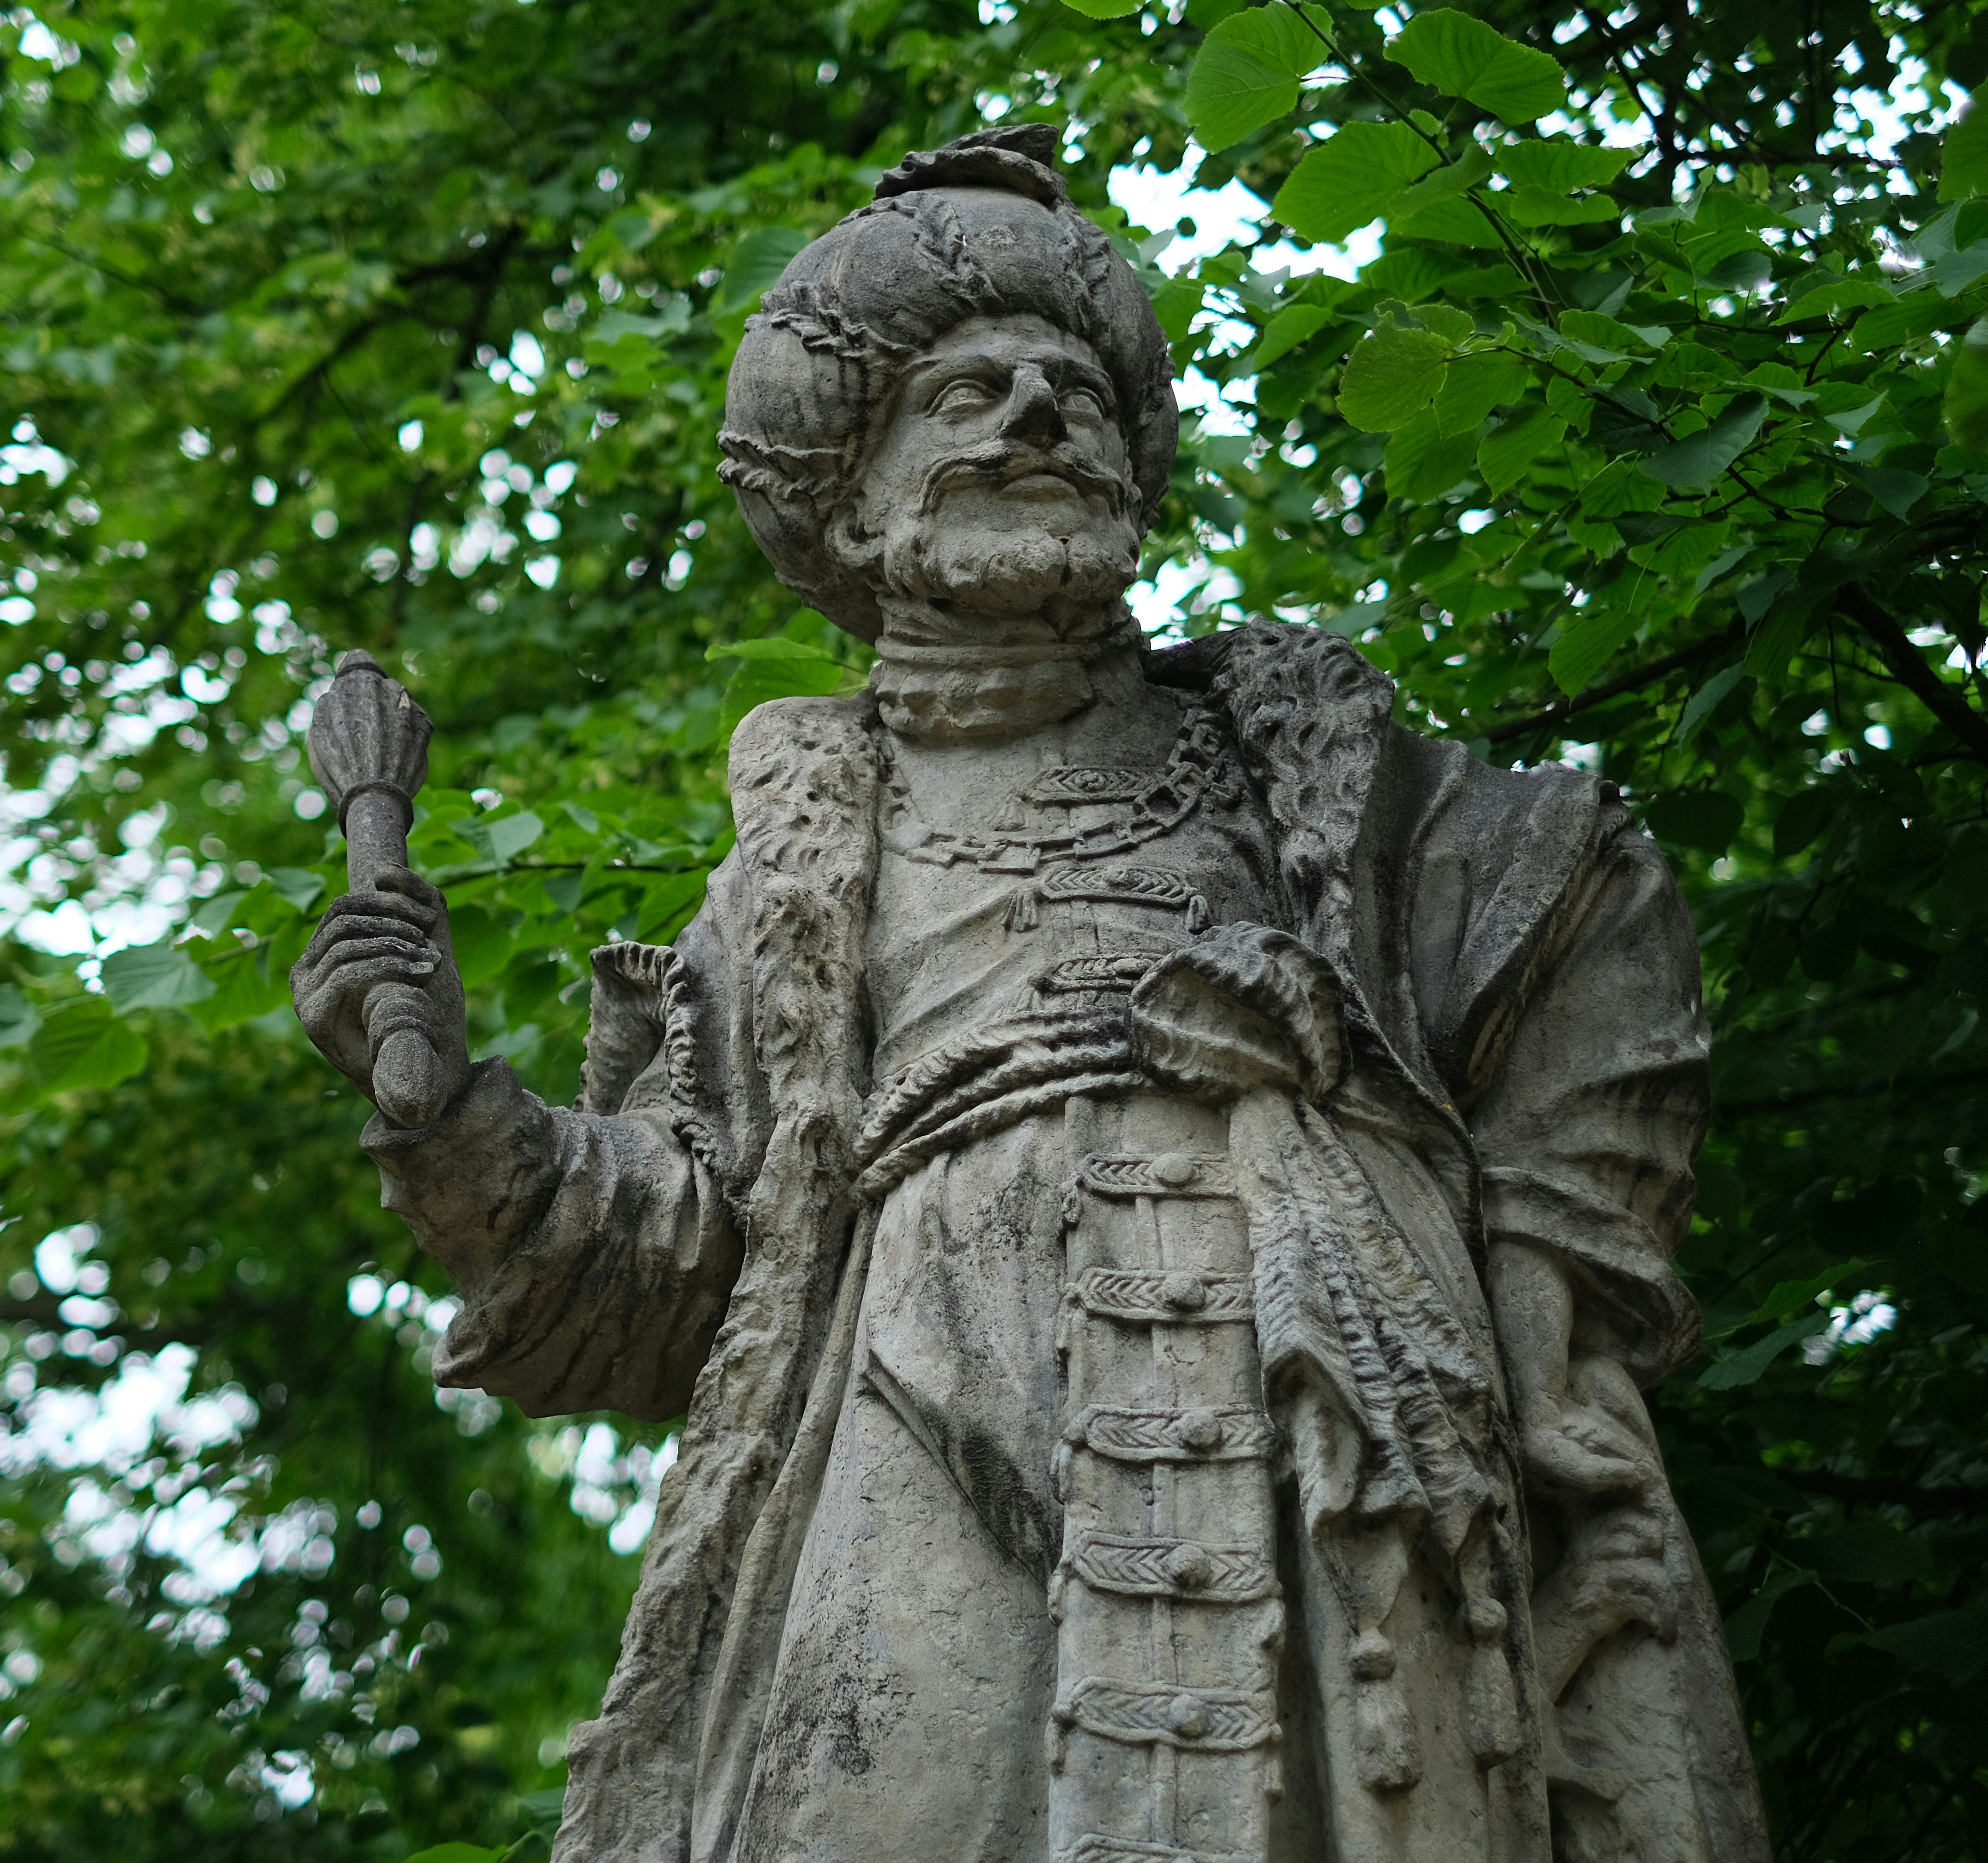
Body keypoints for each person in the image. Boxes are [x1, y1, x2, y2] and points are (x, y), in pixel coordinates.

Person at [292, 124, 1767, 1863]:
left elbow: (1586, 904)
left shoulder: (1306, 763)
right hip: (912, 1400)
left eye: (1071, 388)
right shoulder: (789, 861)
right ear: (852, 495)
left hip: (1320, 1404)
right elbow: (669, 1260)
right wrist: (459, 1110)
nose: (1035, 416)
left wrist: (1526, 1272)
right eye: (966, 393)